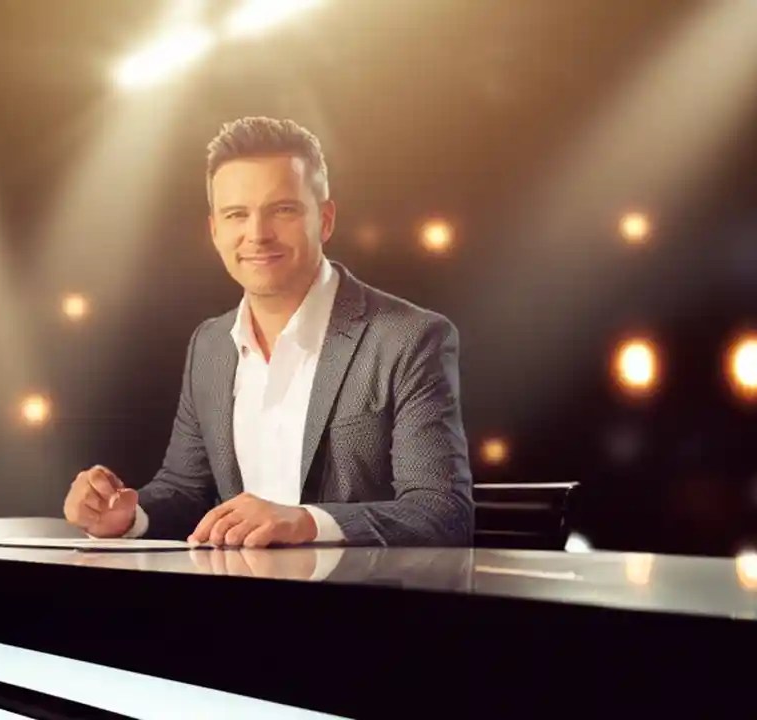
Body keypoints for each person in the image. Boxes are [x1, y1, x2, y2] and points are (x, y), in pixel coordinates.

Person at [63, 116, 473, 547]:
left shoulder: (409, 338)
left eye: (283, 210)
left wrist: (305, 523)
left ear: (326, 219)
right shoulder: (210, 344)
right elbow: (186, 492)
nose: (257, 234)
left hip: (361, 607)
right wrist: (128, 519)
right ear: (215, 230)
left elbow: (442, 512)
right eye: (237, 214)